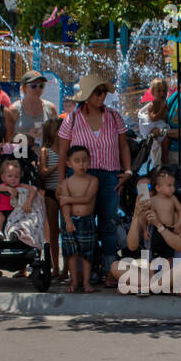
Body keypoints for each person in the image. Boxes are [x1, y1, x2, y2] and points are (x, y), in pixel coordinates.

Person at [55, 74, 131, 282]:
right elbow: (63, 152)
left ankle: (109, 270)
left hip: (109, 175)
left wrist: (128, 171)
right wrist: (62, 182)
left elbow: (123, 145)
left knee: (108, 222)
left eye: (104, 91)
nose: (102, 96)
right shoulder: (72, 119)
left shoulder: (114, 116)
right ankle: (81, 270)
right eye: (98, 92)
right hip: (80, 177)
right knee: (81, 221)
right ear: (87, 95)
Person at [110, 167, 181, 294]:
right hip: (154, 272)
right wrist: (136, 215)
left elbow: (180, 246)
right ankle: (160, 288)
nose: (145, 193)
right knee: (115, 266)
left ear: (157, 189)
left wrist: (159, 225)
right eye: (140, 190)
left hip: (174, 268)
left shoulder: (173, 210)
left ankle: (146, 288)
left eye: (148, 188)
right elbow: (132, 246)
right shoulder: (143, 213)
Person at [57, 144, 99, 292]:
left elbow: (88, 198)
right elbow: (64, 205)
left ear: (89, 161)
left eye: (84, 160)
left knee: (87, 253)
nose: (81, 164)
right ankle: (74, 281)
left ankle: (86, 282)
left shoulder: (93, 180)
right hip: (71, 221)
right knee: (71, 253)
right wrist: (67, 220)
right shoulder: (66, 182)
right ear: (69, 163)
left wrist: (69, 199)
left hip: (87, 220)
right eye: (77, 160)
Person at [37, 116, 65, 275]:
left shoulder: (66, 149)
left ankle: (66, 267)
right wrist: (58, 164)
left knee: (67, 231)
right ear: (53, 133)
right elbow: (43, 173)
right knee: (54, 232)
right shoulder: (45, 151)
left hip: (64, 193)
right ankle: (55, 266)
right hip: (50, 193)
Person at [0, 159, 43, 248]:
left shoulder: (20, 186)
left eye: (16, 176)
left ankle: (15, 233)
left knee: (21, 222)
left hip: (16, 213)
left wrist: (28, 201)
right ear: (3, 177)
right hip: (2, 212)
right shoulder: (1, 186)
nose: (13, 179)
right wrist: (8, 189)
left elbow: (34, 189)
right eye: (10, 176)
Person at [11, 69, 58, 154]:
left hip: (45, 160)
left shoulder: (50, 108)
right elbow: (7, 140)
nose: (38, 89)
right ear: (24, 88)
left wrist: (45, 134)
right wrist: (27, 137)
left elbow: (57, 138)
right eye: (33, 85)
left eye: (41, 86)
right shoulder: (14, 109)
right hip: (22, 159)